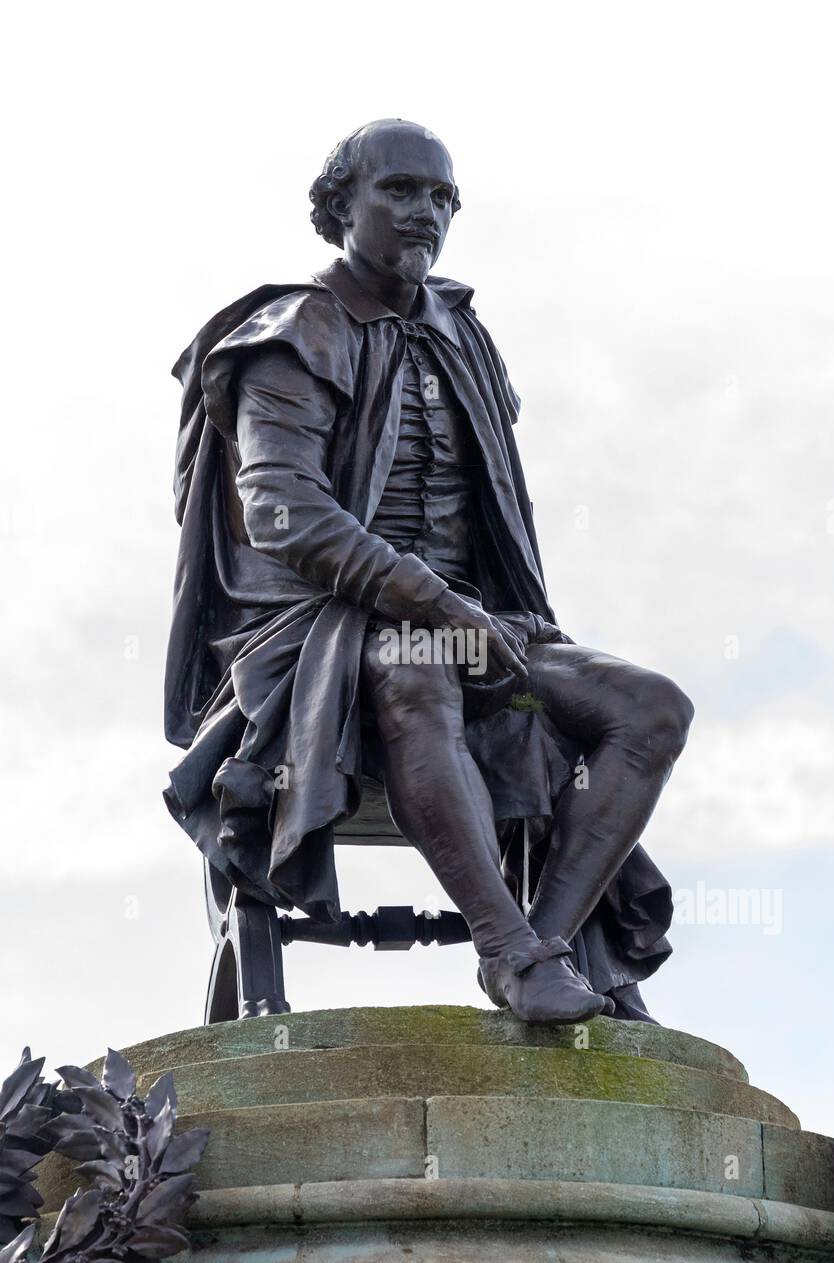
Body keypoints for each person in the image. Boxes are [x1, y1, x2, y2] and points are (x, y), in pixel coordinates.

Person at [164, 119, 693, 1025]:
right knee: (417, 661)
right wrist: (437, 604)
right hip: (312, 640)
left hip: (475, 627)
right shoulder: (289, 336)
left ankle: (542, 949)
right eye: (401, 190)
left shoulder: (461, 336)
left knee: (651, 706)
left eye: (444, 197)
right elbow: (281, 512)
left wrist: (476, 619)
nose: (427, 212)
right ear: (340, 207)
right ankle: (507, 941)